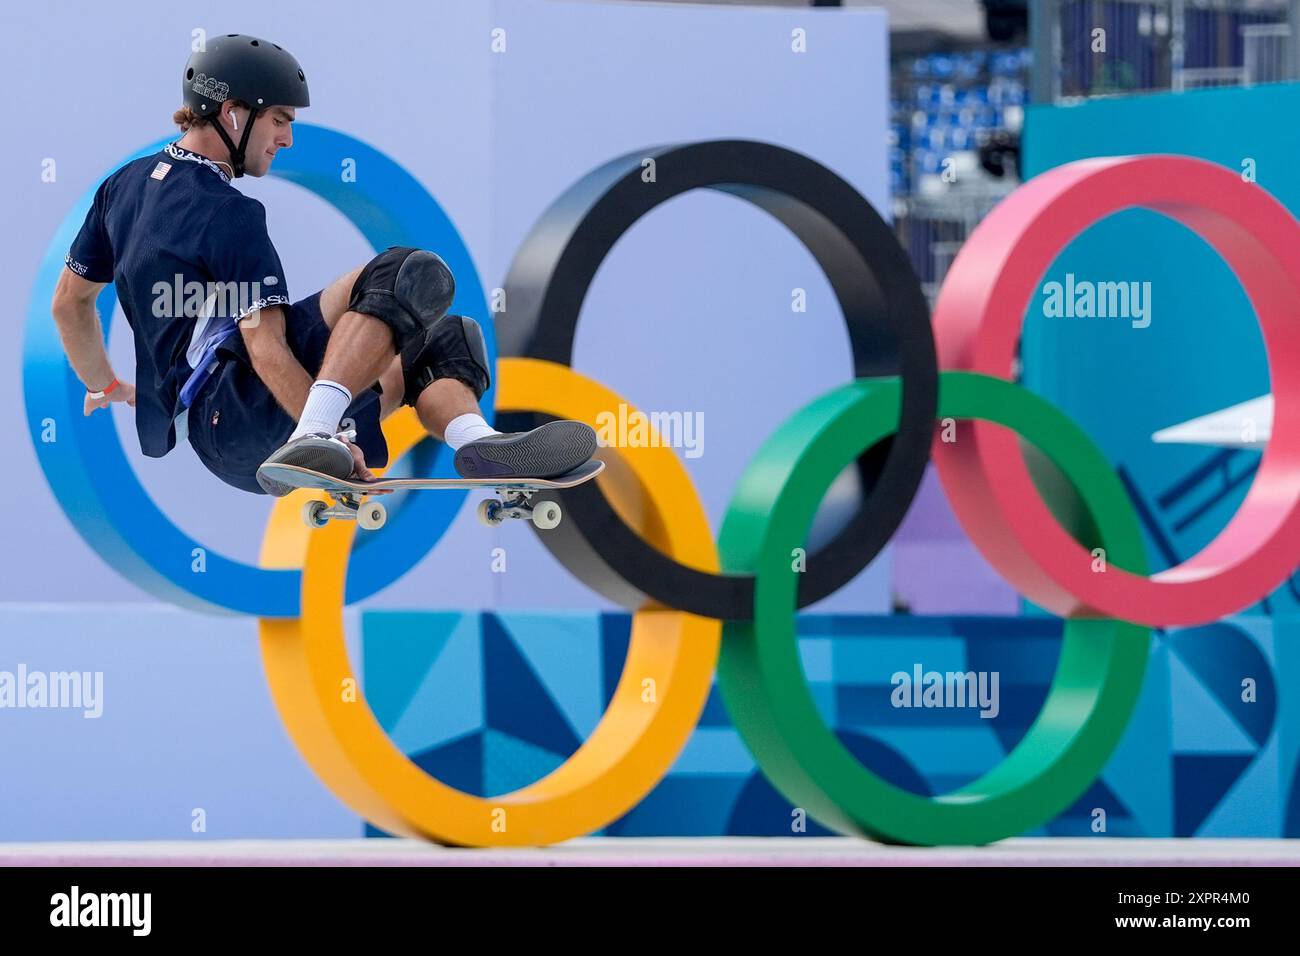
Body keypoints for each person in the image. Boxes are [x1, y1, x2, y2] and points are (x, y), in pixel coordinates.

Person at [51, 33, 596, 497]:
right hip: (250, 410)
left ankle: (477, 445)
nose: (286, 139)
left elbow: (70, 304)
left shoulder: (120, 188)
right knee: (406, 274)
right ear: (233, 112)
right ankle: (315, 434)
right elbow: (263, 344)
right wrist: (324, 436)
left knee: (444, 337)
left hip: (220, 438)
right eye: (280, 120)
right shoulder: (226, 212)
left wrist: (107, 383)